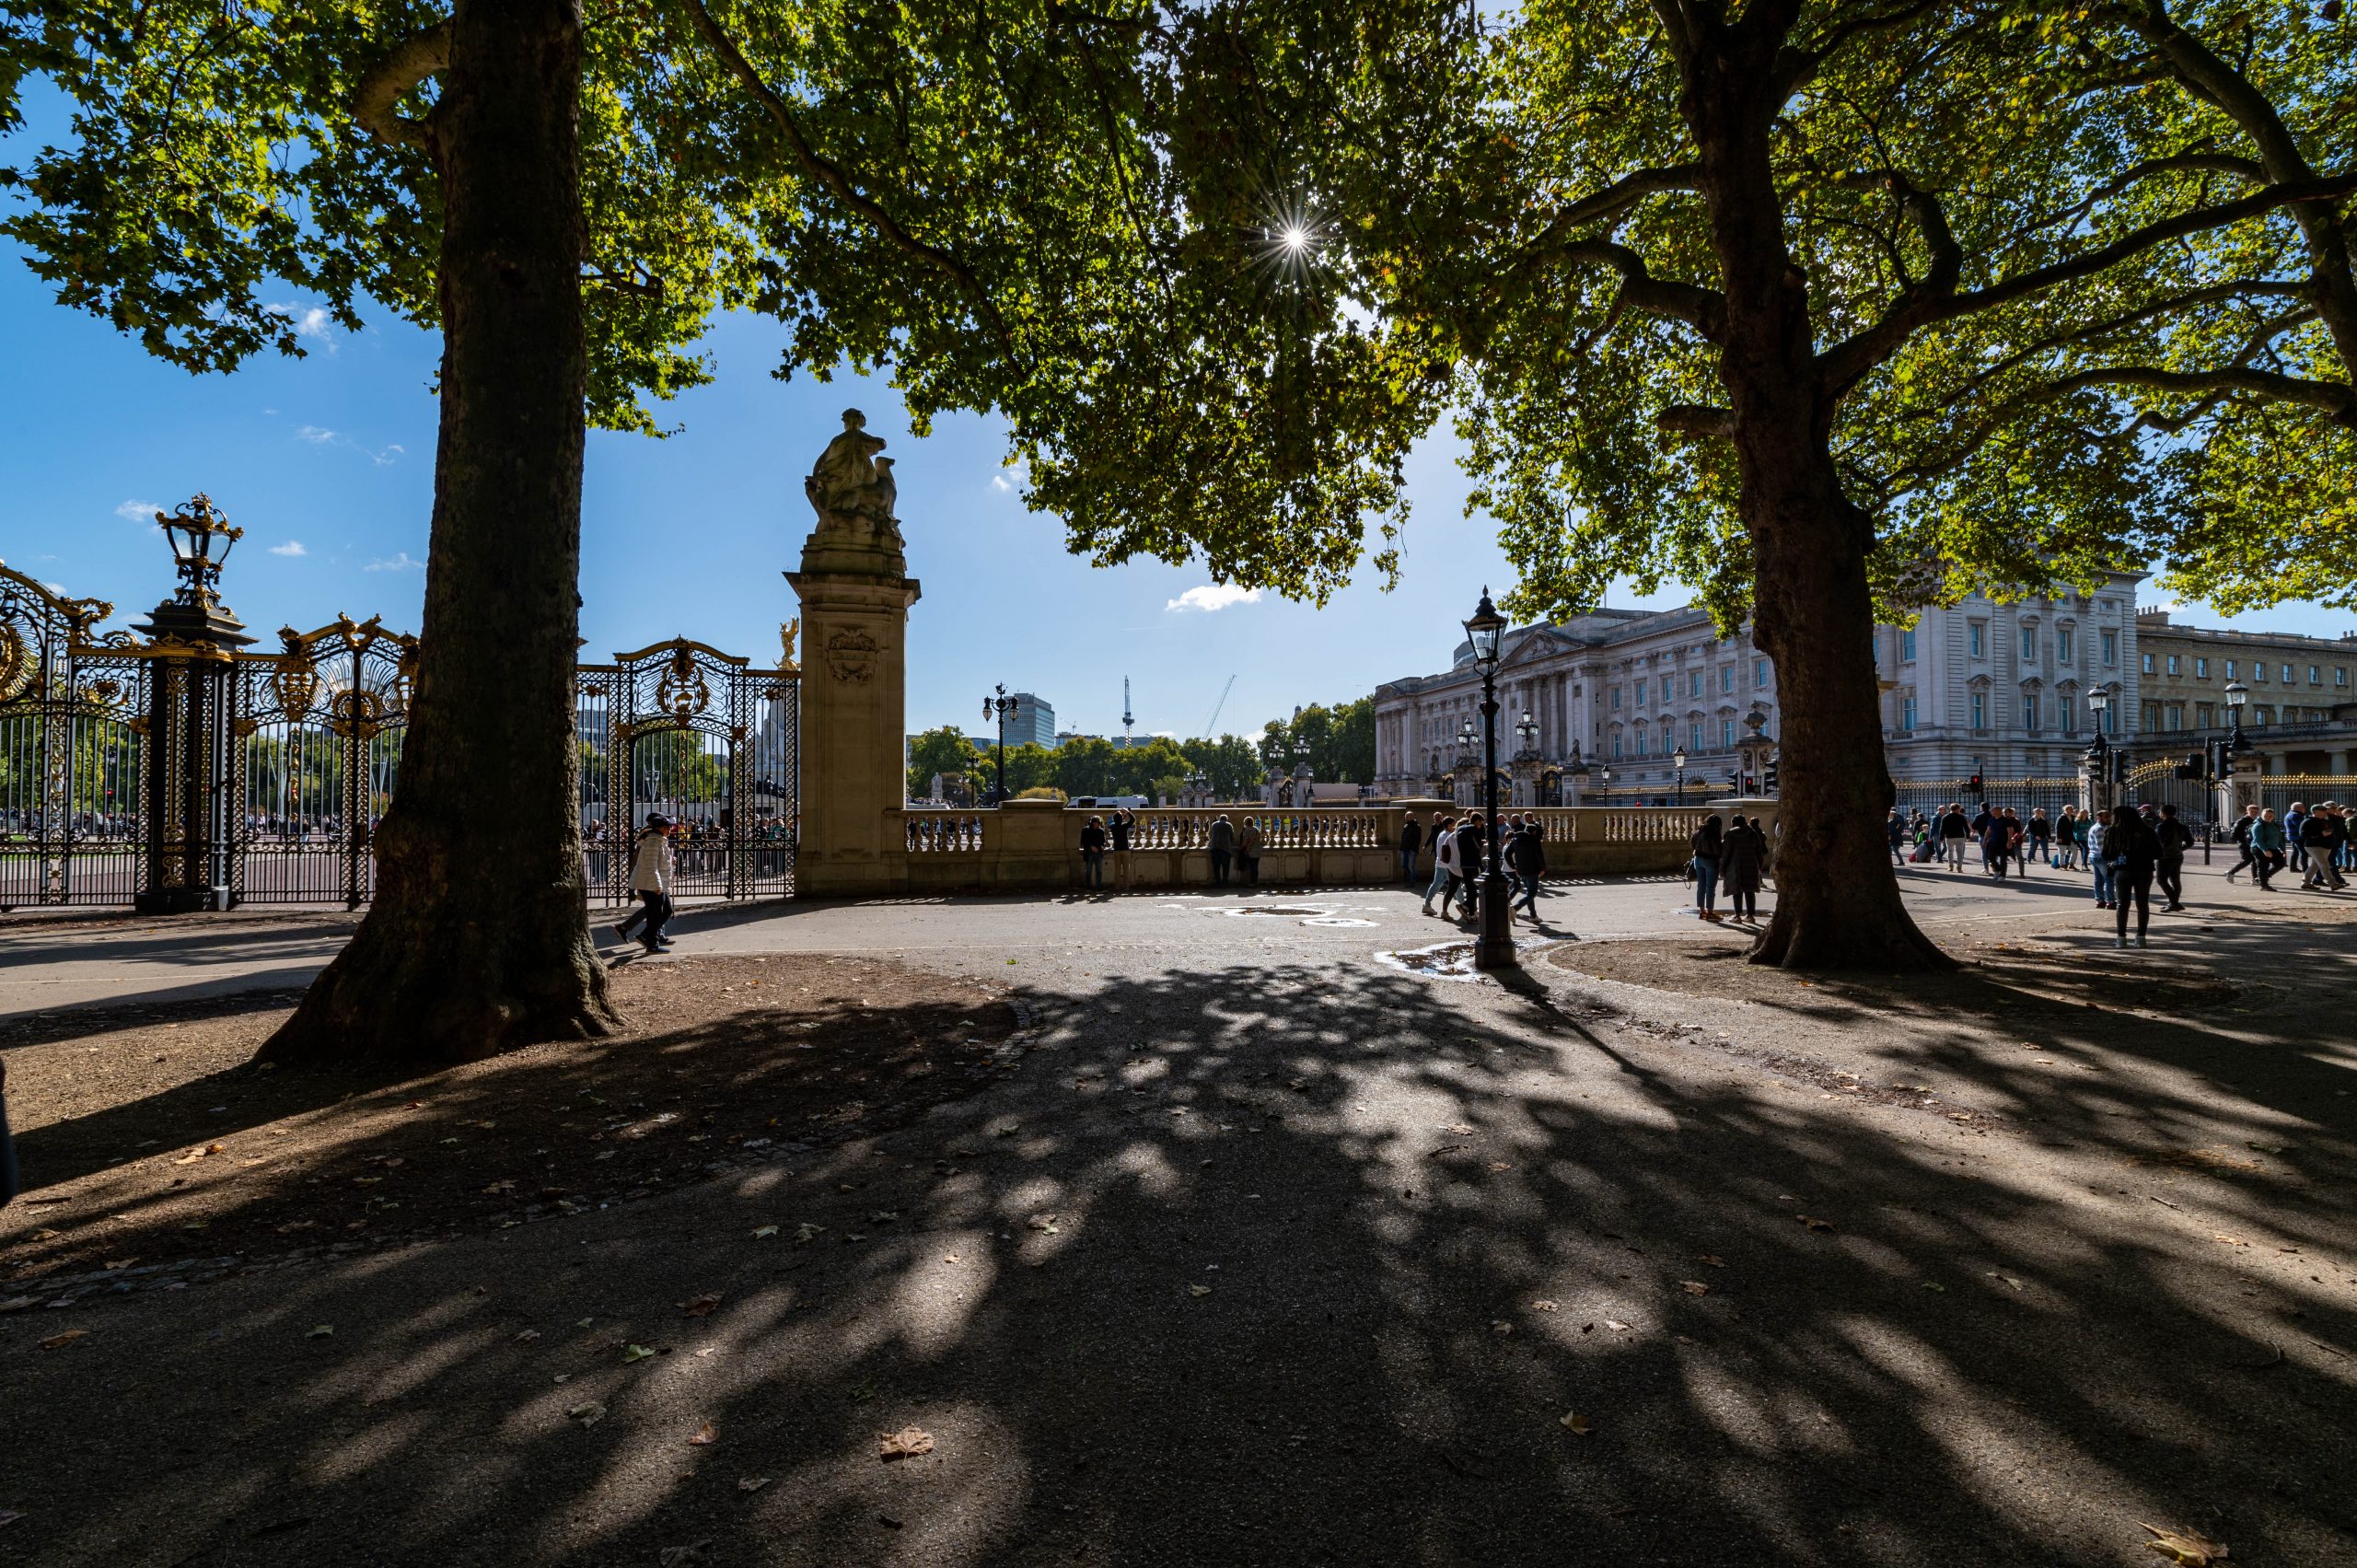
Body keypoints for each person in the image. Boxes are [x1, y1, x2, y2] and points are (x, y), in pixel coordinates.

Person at [615, 813, 675, 951]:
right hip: (651, 883)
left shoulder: (659, 840)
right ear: (660, 828)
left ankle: (646, 936)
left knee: (666, 910)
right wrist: (657, 885)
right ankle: (652, 943)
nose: (670, 830)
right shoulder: (653, 841)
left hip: (657, 882)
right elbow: (650, 865)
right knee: (656, 913)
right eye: (667, 827)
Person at [2107, 805, 2160, 948]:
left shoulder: (2113, 831)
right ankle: (2141, 937)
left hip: (2123, 868)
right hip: (2144, 869)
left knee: (2122, 904)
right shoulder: (2148, 831)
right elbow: (2158, 853)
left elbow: (2107, 853)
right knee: (2142, 904)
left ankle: (2121, 938)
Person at [1723, 811, 1764, 923]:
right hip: (1751, 865)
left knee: (1737, 890)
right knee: (1750, 890)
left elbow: (1726, 853)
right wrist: (1760, 865)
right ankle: (1750, 916)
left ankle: (1737, 915)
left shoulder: (1730, 834)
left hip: (1735, 865)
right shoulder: (1752, 833)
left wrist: (1722, 868)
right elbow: (1759, 850)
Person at [2154, 803, 2194, 911]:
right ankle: (2173, 903)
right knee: (2175, 881)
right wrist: (2180, 848)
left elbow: (2158, 842)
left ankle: (2174, 903)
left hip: (2165, 856)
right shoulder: (2182, 826)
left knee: (2161, 880)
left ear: (2163, 813)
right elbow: (2190, 842)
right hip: (2177, 855)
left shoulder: (2161, 826)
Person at [1508, 819, 1547, 919]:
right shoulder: (1534, 840)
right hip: (1533, 869)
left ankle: (1533, 915)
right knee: (1532, 893)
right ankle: (1515, 908)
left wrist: (1514, 866)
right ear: (1534, 831)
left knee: (1529, 893)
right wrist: (1542, 868)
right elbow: (1539, 855)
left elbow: (1507, 853)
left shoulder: (1516, 839)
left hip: (1520, 869)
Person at [1422, 815, 1459, 917]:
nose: (1455, 827)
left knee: (1436, 885)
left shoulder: (1442, 834)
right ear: (1449, 825)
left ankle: (1427, 905)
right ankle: (1464, 907)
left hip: (1440, 864)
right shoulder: (1449, 836)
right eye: (1454, 825)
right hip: (1448, 865)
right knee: (1456, 886)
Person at [1689, 812, 1724, 922]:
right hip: (1710, 860)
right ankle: (1710, 912)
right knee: (1710, 888)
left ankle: (1702, 911)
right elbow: (1717, 850)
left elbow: (1692, 843)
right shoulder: (1714, 833)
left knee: (1701, 886)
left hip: (1698, 859)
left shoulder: (1699, 831)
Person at [1455, 814, 1486, 920]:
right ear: (1477, 820)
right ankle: (1464, 905)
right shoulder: (1473, 828)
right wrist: (1482, 844)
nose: (1481, 825)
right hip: (1473, 861)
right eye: (1481, 822)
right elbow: (1478, 845)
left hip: (1463, 862)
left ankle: (1471, 914)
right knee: (1477, 887)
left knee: (1469, 888)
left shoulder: (1460, 828)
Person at [2223, 804, 2261, 882]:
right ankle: (2231, 872)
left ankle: (2255, 878)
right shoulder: (2242, 821)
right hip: (2244, 844)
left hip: (2253, 843)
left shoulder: (2257, 821)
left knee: (2255, 860)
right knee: (2247, 860)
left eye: (2256, 812)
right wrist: (2243, 841)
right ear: (2247, 812)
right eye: (2252, 812)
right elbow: (2234, 833)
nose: (2254, 814)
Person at [2251, 808, 2287, 889]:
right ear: (2262, 815)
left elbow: (2279, 838)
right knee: (2263, 866)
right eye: (2265, 816)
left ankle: (2262, 878)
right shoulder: (2258, 825)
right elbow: (2258, 840)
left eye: (2270, 816)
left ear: (2274, 816)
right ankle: (2264, 885)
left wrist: (2283, 849)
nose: (2268, 817)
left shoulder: (2275, 825)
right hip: (2259, 848)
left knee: (2281, 863)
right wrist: (2265, 850)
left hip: (2273, 847)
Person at [2086, 812, 2112, 909]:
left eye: (2109, 817)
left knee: (2098, 880)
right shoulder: (2100, 829)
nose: (2109, 819)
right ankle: (2110, 901)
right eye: (2106, 817)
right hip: (2102, 857)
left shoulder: (2094, 827)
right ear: (2099, 817)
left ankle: (2100, 900)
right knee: (2109, 879)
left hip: (2093, 856)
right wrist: (2109, 856)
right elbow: (2101, 845)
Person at [1078, 814, 1108, 889]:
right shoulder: (1085, 830)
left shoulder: (1101, 831)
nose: (1097, 825)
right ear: (1092, 823)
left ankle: (1099, 886)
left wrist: (1103, 846)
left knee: (1099, 871)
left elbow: (1103, 841)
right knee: (1088, 871)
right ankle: (1088, 886)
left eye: (1098, 824)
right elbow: (1083, 841)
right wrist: (1091, 846)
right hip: (1089, 853)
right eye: (1095, 824)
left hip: (1098, 852)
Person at [1939, 802, 1970, 871]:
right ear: (1957, 809)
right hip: (1960, 836)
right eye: (1959, 808)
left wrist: (1941, 838)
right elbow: (1966, 828)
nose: (1960, 810)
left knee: (1950, 852)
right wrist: (1968, 836)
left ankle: (1951, 866)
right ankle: (1959, 868)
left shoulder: (1945, 817)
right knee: (1960, 853)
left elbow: (1942, 829)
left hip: (1949, 836)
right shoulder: (1961, 817)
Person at [1109, 805, 1134, 889]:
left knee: (1117, 870)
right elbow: (1133, 819)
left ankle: (1117, 886)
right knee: (1126, 869)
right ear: (1121, 819)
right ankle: (1126, 886)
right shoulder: (1124, 826)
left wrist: (1122, 817)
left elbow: (1115, 822)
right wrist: (1127, 812)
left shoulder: (1112, 826)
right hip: (1125, 849)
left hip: (1116, 850)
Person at [1207, 813, 1236, 888]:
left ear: (1219, 819)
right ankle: (1225, 882)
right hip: (1225, 849)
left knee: (1216, 867)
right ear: (1226, 819)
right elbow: (1232, 836)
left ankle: (1218, 882)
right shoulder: (1229, 825)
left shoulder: (1214, 824)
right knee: (1225, 867)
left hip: (1215, 848)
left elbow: (1210, 835)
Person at [1237, 816, 1265, 885]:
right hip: (1258, 850)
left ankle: (1252, 882)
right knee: (1255, 867)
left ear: (1245, 822)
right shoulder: (1256, 829)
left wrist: (1240, 848)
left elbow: (1245, 842)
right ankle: (1255, 881)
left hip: (1251, 851)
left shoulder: (1247, 830)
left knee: (1252, 867)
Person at [2283, 802, 2309, 876]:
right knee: (2303, 852)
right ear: (2299, 808)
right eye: (2303, 807)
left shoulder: (2289, 814)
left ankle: (2293, 867)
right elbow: (2301, 826)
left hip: (2292, 836)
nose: (2304, 809)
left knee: (2296, 852)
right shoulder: (2296, 815)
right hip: (2297, 836)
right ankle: (2305, 869)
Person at [1399, 812, 1424, 884]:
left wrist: (1413, 849)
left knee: (1411, 866)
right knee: (1404, 865)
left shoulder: (1417, 826)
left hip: (1412, 850)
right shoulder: (1406, 826)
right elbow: (1403, 838)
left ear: (1413, 817)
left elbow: (1417, 839)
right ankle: (1415, 876)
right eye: (1406, 817)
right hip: (1404, 849)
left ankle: (1412, 881)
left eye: (1408, 817)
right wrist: (1401, 848)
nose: (1407, 818)